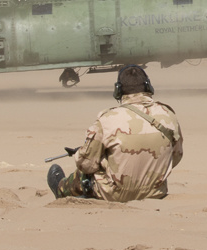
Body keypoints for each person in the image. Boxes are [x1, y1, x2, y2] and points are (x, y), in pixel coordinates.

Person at [47, 64, 182, 201]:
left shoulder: (106, 119)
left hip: (113, 194)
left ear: (118, 90)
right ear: (148, 87)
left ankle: (60, 189)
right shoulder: (169, 115)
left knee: (82, 176)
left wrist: (83, 153)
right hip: (155, 192)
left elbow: (86, 165)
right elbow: (176, 156)